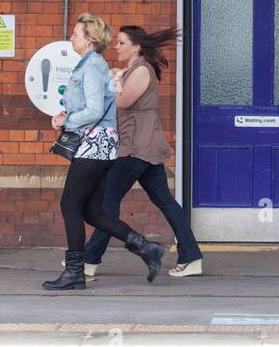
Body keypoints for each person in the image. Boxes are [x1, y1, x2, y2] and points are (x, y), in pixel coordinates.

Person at [43, 13, 166, 292]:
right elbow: (93, 106)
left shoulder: (92, 67)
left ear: (90, 40)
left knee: (69, 205)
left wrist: (68, 121)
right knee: (93, 212)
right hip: (102, 144)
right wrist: (66, 114)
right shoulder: (92, 66)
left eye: (76, 35)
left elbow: (96, 111)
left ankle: (75, 272)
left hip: (94, 144)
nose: (71, 38)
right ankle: (147, 248)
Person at [84, 25, 205, 280]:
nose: (116, 47)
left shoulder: (141, 70)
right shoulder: (133, 69)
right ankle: (191, 256)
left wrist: (115, 78)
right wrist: (118, 75)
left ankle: (89, 261)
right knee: (165, 202)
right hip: (141, 145)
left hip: (136, 147)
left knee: (107, 203)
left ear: (136, 46)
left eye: (121, 43)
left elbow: (123, 101)